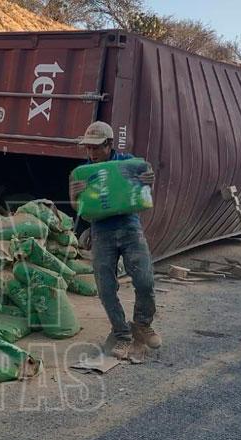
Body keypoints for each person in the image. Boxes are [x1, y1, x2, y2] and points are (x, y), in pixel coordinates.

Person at [68, 121, 160, 359]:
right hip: (101, 232)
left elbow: (143, 192)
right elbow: (81, 210)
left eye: (96, 147)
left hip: (130, 228)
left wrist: (148, 182)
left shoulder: (127, 162)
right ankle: (121, 334)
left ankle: (142, 325)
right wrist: (74, 197)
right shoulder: (82, 173)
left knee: (145, 281)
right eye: (88, 148)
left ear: (109, 144)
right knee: (106, 288)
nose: (91, 153)